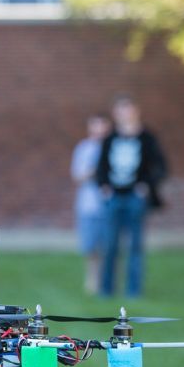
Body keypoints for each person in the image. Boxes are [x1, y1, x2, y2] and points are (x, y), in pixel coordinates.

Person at [97, 96, 168, 298]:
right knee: (110, 245)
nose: (124, 115)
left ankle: (133, 291)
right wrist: (103, 185)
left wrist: (146, 185)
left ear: (136, 111)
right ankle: (106, 290)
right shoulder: (110, 138)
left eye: (127, 110)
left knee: (135, 246)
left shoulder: (147, 138)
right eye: (120, 111)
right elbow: (100, 166)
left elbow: (160, 167)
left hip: (135, 198)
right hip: (113, 197)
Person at [71, 113, 112, 294]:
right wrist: (94, 171)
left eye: (102, 126)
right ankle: (91, 280)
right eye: (95, 126)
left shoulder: (113, 147)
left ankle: (107, 280)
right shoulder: (84, 148)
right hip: (88, 203)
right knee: (90, 246)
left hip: (109, 203)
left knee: (108, 245)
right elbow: (77, 175)